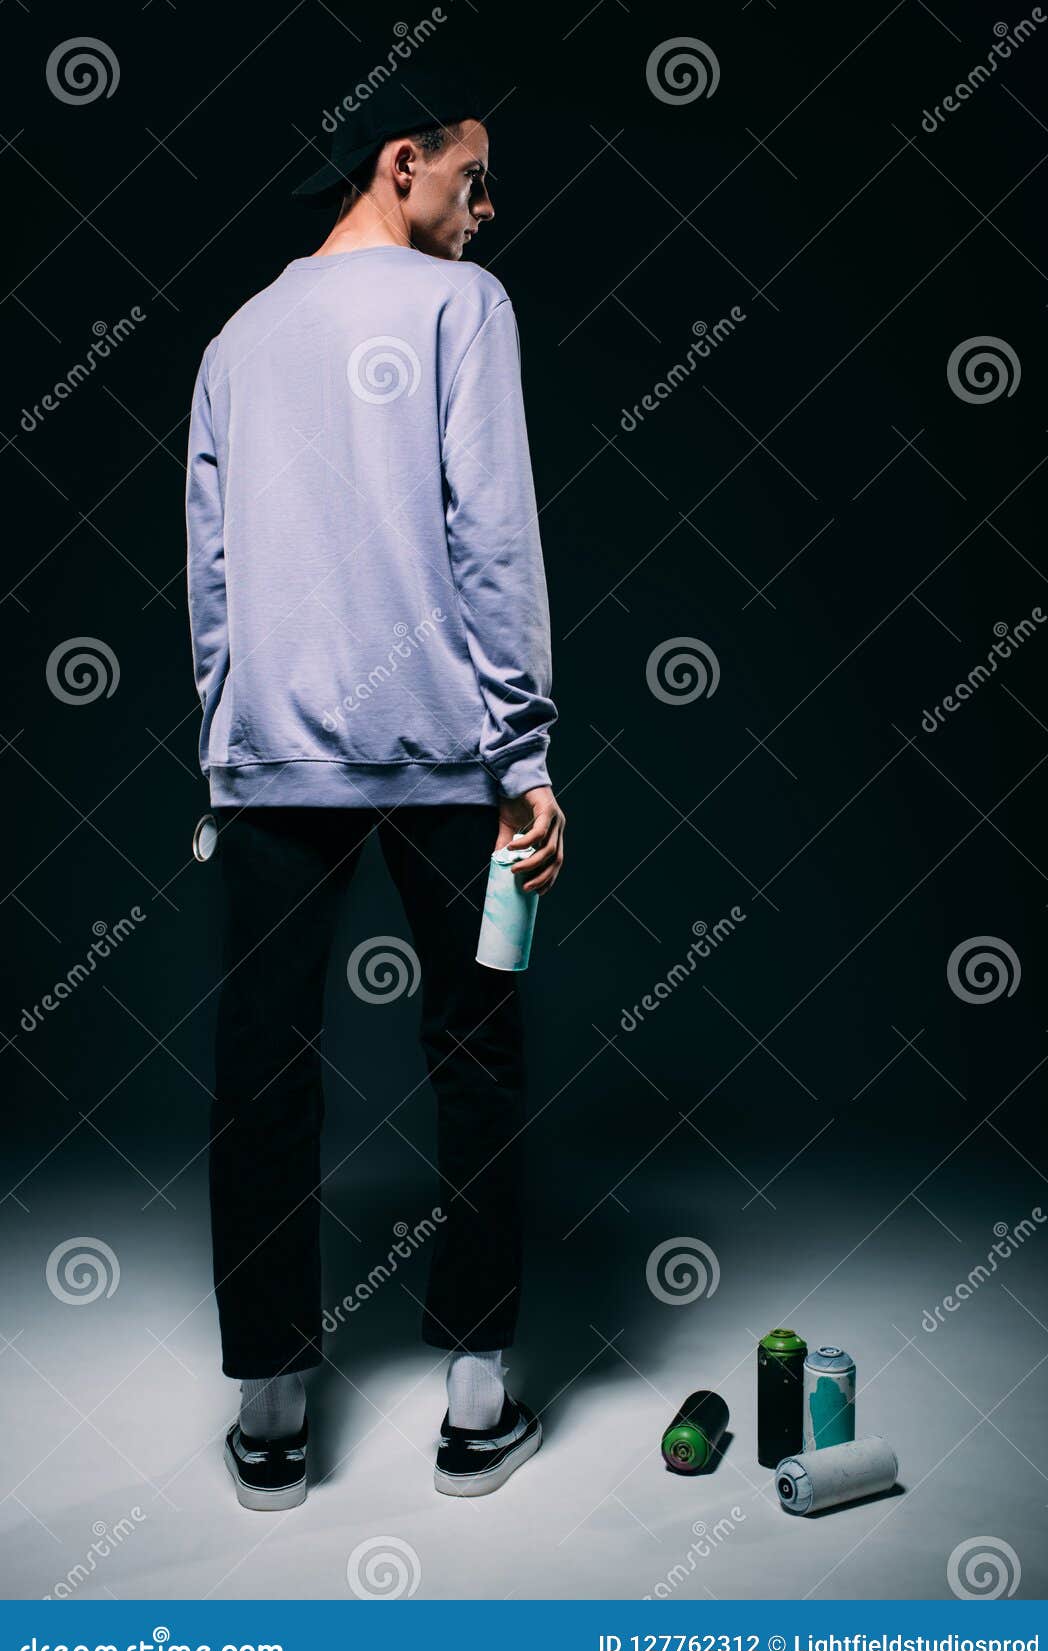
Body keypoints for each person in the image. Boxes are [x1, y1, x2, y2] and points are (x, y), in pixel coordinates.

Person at [184, 68, 564, 1511]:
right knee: (476, 1050)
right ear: (402, 164)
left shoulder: (239, 336)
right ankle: (479, 1401)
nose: (486, 207)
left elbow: (210, 578)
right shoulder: (466, 307)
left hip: (274, 762)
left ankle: (271, 1413)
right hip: (457, 760)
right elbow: (493, 538)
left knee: (261, 1073)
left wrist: (229, 747)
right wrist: (526, 755)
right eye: (472, 180)